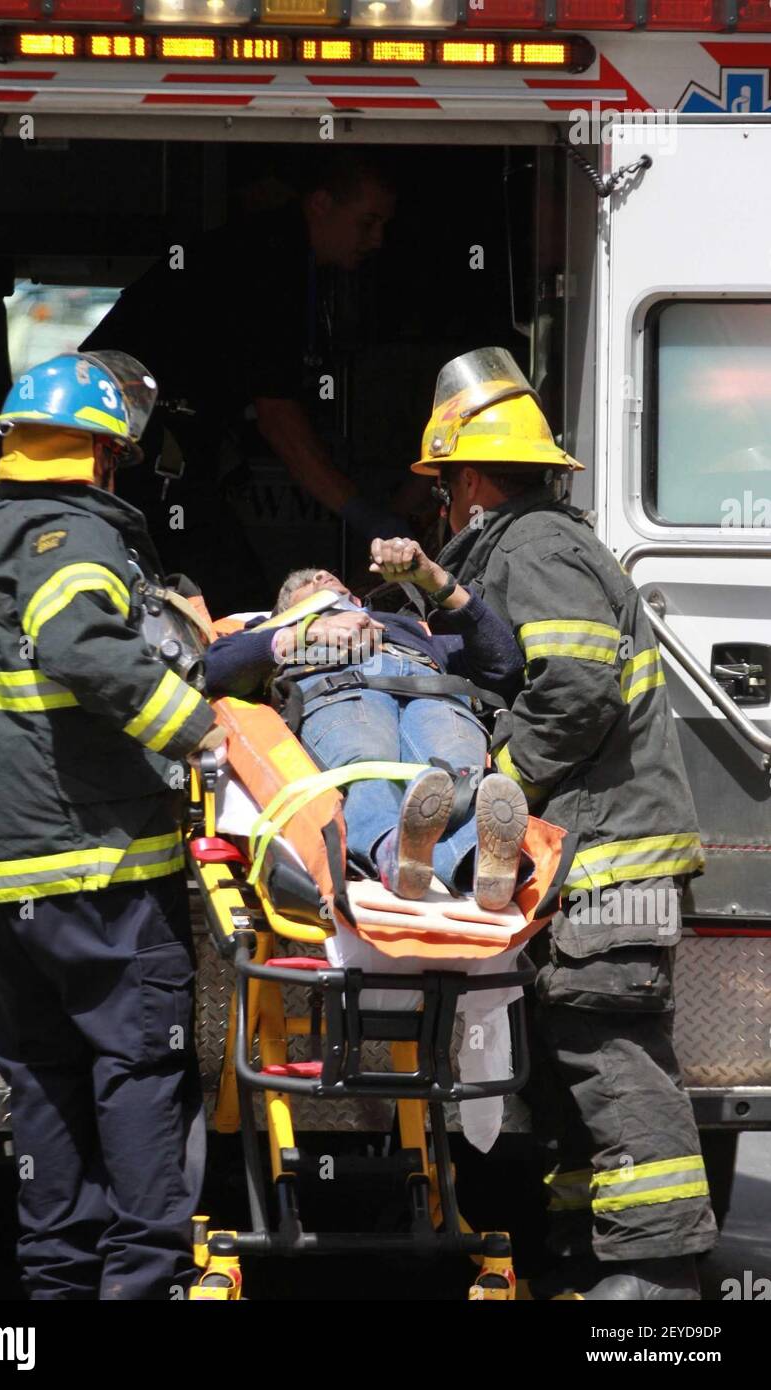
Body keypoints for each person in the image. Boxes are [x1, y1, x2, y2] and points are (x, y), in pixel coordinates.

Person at [413, 347, 717, 1300]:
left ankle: (659, 1282)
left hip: (608, 859)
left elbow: (575, 690)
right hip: (588, 856)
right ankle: (591, 1258)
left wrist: (497, 783)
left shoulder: (537, 549)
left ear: (465, 478)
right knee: (568, 1070)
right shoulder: (535, 545)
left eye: (441, 487)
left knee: (610, 1054)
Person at [0, 350, 225, 1300]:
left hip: (0, 874)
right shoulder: (79, 537)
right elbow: (78, 646)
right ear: (104, 457)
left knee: (46, 1084)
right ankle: (140, 1284)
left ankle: (57, 1285)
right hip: (94, 869)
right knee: (138, 1069)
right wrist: (194, 730)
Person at [80, 152, 404, 614]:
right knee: (234, 601)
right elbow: (279, 418)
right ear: (320, 204)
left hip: (157, 452)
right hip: (141, 456)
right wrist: (362, 513)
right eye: (367, 222)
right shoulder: (269, 266)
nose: (377, 240)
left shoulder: (276, 255)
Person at [204, 538, 529, 909]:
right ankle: (394, 850)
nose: (323, 576)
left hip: (436, 692)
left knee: (460, 774)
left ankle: (479, 864)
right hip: (341, 688)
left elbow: (504, 667)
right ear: (285, 613)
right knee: (365, 763)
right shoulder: (274, 634)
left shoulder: (412, 631)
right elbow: (214, 670)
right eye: (308, 587)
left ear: (358, 601)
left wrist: (439, 582)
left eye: (331, 580)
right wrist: (306, 632)